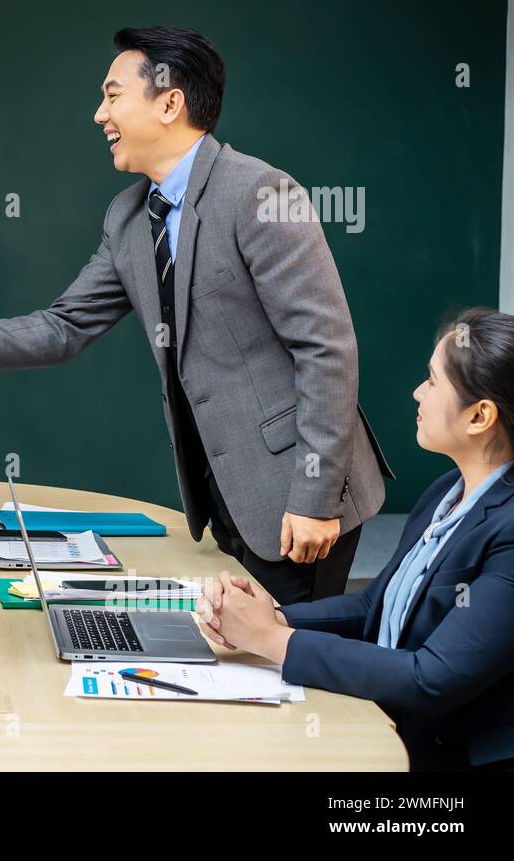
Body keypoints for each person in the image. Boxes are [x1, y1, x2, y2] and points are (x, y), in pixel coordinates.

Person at [0, 26, 391, 603]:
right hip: (224, 493)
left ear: (169, 103)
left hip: (297, 496)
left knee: (294, 670)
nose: (98, 115)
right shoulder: (130, 217)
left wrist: (313, 499)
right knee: (244, 658)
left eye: (112, 96)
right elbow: (64, 326)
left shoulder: (260, 194)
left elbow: (326, 349)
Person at [200, 308, 514, 771]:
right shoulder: (446, 494)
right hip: (387, 726)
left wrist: (270, 639)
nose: (417, 393)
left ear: (479, 415)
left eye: (432, 381)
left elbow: (430, 679)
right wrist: (268, 617)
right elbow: (374, 608)